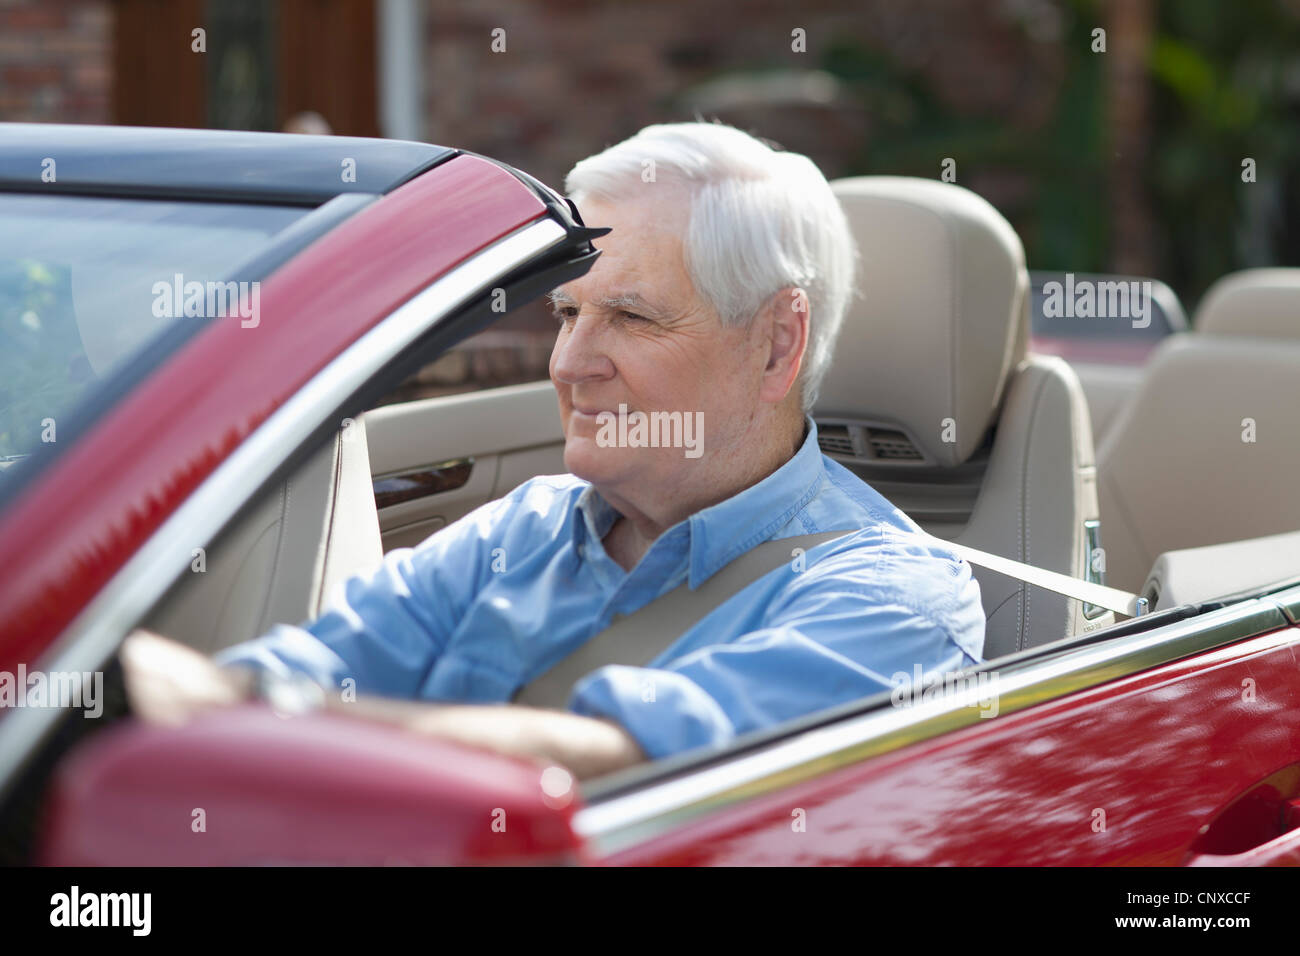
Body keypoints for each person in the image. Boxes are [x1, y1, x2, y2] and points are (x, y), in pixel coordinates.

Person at [122, 121, 985, 780]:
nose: (568, 365)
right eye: (568, 313)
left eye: (632, 317)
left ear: (774, 346)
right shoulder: (519, 530)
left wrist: (231, 710)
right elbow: (316, 665)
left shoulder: (895, 602)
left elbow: (630, 766)